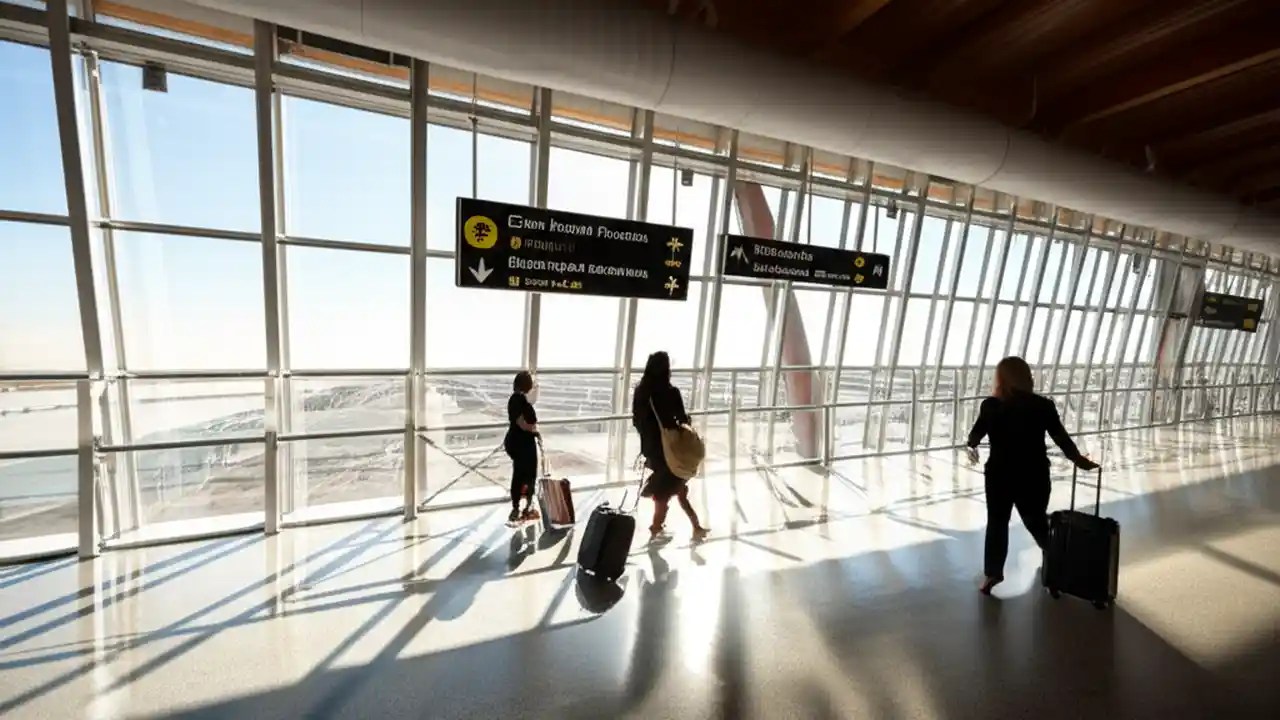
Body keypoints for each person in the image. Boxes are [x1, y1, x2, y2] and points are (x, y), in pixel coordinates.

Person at [965, 356, 1098, 595]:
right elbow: (1061, 439)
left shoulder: (991, 406)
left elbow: (975, 437)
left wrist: (971, 445)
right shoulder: (1043, 406)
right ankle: (1057, 569)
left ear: (1001, 379)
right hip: (1033, 474)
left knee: (997, 524)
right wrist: (1079, 461)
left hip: (999, 475)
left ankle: (992, 575)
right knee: (1036, 522)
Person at [632, 351, 709, 542]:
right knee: (671, 488)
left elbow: (636, 420)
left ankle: (686, 526)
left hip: (651, 447)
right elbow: (682, 418)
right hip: (672, 447)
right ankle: (657, 526)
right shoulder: (671, 392)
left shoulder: (641, 391)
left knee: (670, 487)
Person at [505, 371, 540, 524]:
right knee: (527, 474)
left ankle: (519, 506)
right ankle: (524, 506)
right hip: (522, 443)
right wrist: (533, 430)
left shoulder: (517, 399)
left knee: (520, 474)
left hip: (517, 442)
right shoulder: (518, 399)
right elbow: (523, 423)